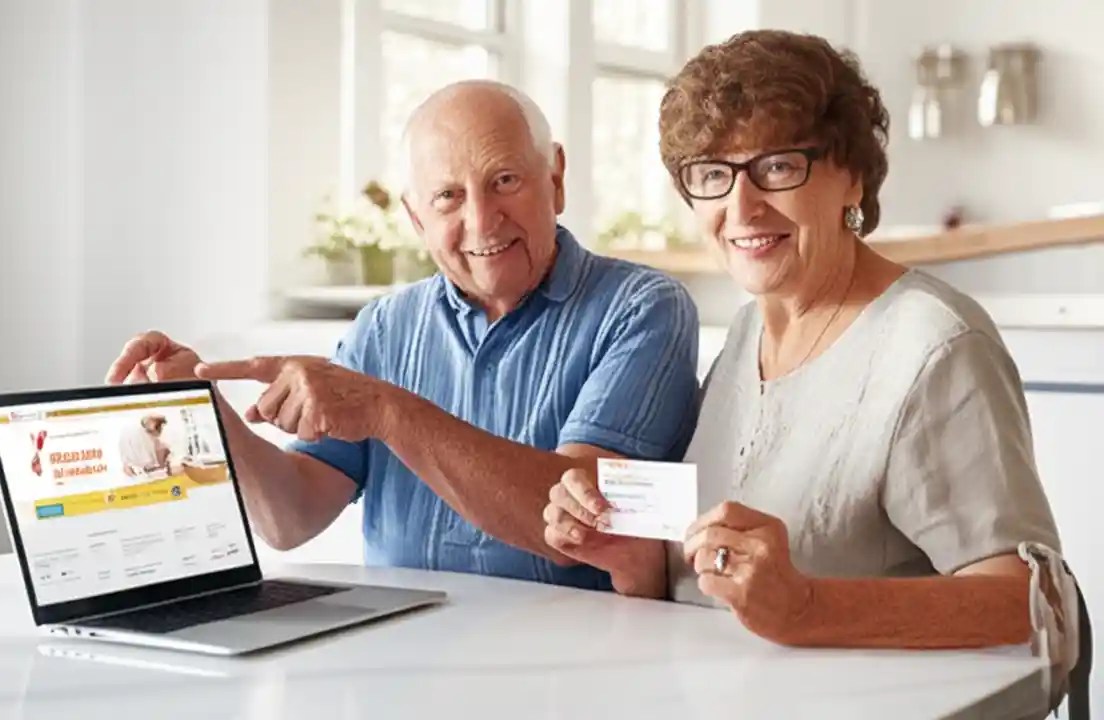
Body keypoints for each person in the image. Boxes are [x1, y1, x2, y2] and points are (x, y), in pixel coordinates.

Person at [542, 29, 1078, 703]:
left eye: (776, 166)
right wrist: (634, 558)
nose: (741, 207)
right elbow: (730, 591)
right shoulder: (749, 329)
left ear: (851, 172)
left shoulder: (934, 345)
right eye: (712, 173)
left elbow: (1029, 606)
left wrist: (808, 608)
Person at [106, 80, 701, 591]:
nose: (481, 219)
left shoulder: (643, 309)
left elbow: (584, 522)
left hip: (571, 658)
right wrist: (200, 410)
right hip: (400, 651)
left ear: (556, 177)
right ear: (417, 218)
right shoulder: (386, 327)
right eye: (449, 196)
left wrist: (386, 411)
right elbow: (291, 520)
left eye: (505, 180)